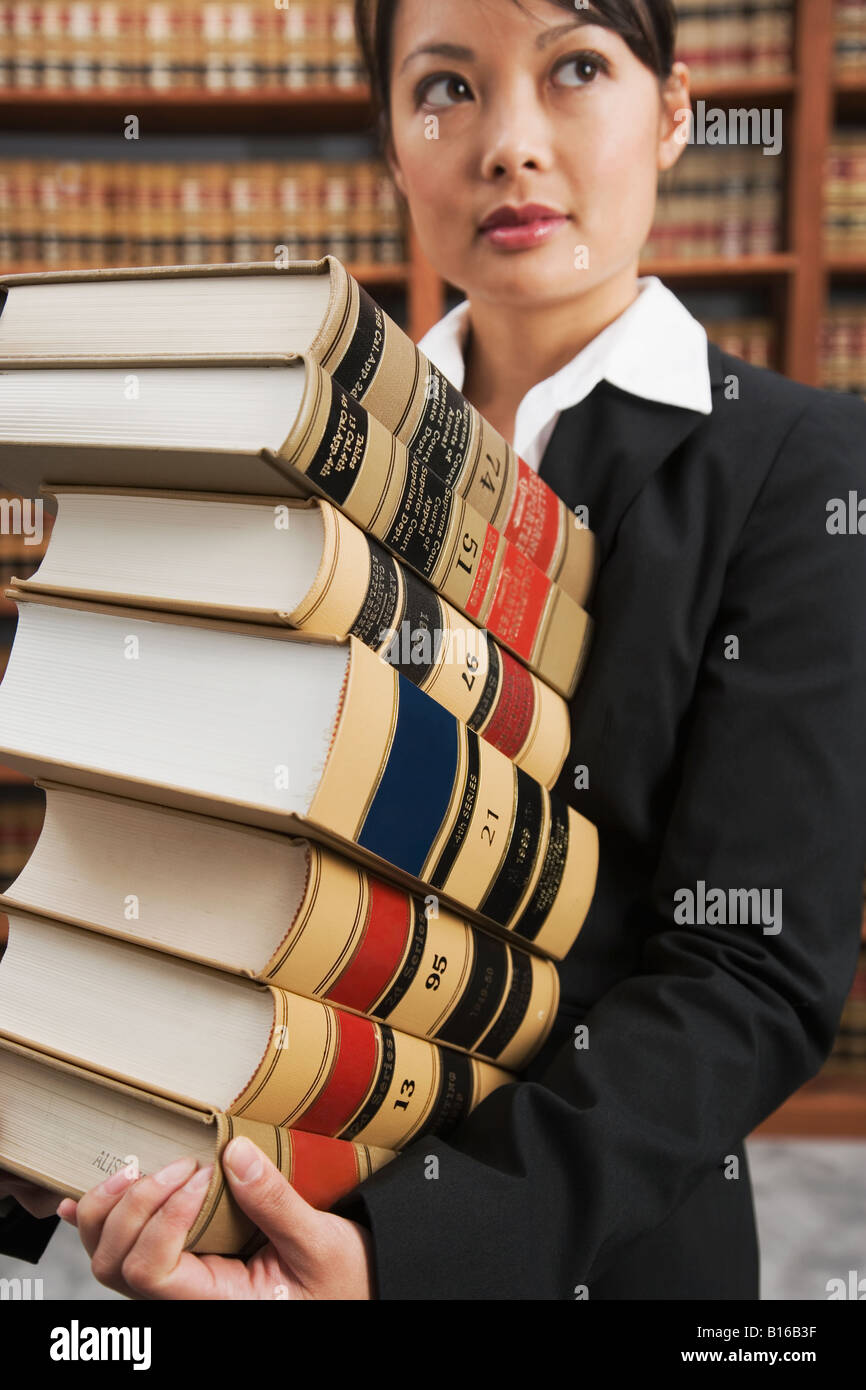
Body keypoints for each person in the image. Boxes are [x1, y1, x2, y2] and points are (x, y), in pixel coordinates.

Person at [2, 0, 866, 1300]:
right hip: (262, 1190)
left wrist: (397, 1260)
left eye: (576, 68)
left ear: (678, 110)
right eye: (445, 88)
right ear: (393, 139)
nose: (508, 143)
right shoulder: (296, 453)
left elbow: (745, 970)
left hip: (596, 1261)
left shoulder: (794, 467)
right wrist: (71, 1114)